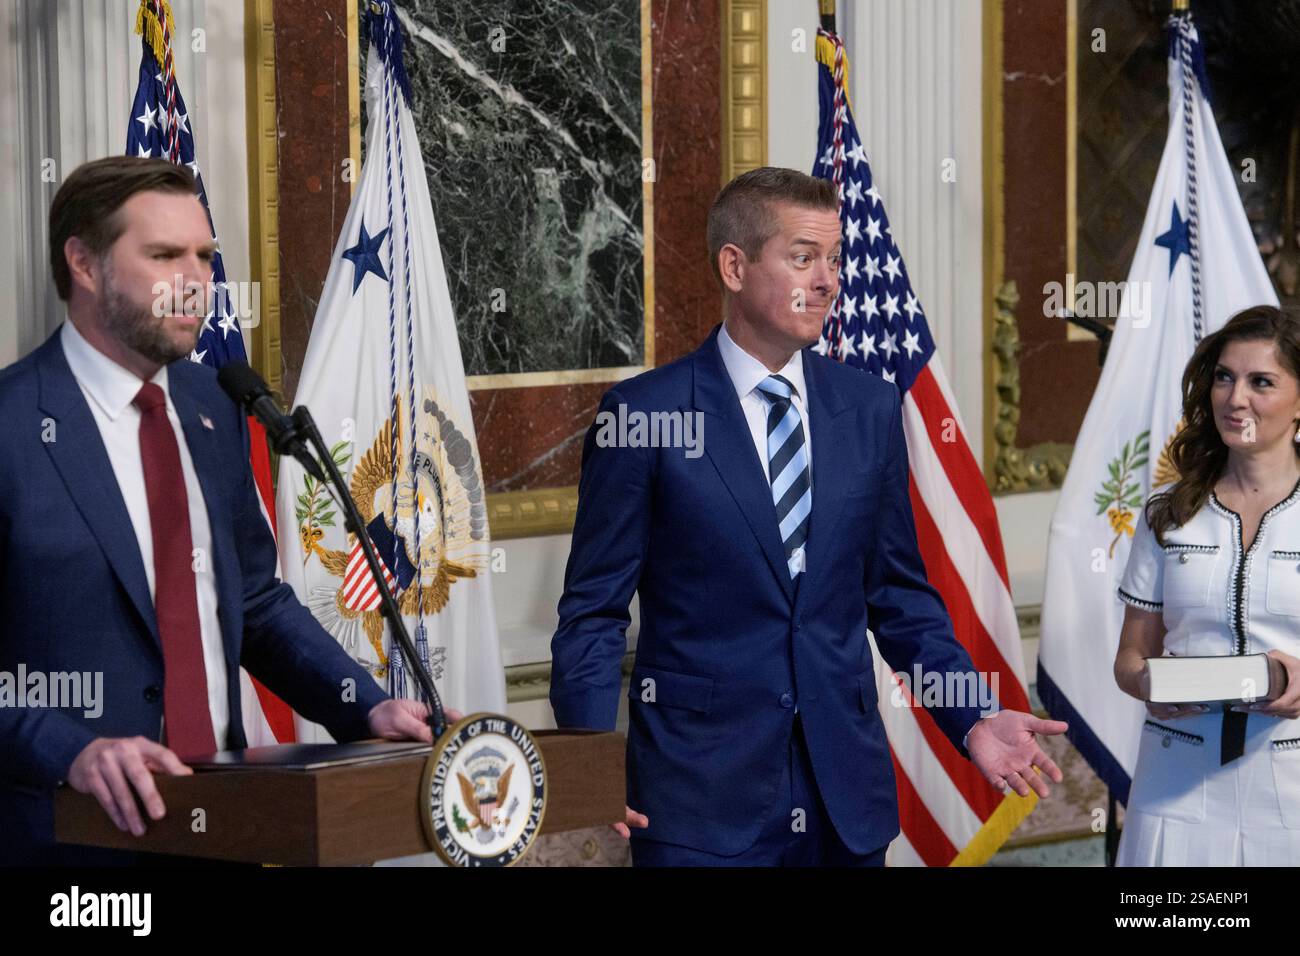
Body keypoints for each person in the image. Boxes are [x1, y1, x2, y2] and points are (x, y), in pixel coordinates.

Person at [549, 166, 1067, 866]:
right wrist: (588, 772)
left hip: (842, 802)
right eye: (803, 258)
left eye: (835, 260)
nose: (827, 280)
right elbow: (593, 613)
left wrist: (971, 716)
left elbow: (902, 600)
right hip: (698, 805)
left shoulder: (870, 409)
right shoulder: (644, 416)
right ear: (735, 266)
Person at [0, 156, 457, 866]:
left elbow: (253, 601)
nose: (197, 282)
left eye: (206, 257)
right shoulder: (11, 427)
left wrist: (363, 707)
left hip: (226, 826)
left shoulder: (213, 407)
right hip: (66, 845)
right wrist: (74, 748)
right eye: (164, 255)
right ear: (84, 264)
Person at [1115, 304, 1300, 866]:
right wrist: (1154, 686)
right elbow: (1129, 659)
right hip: (1176, 779)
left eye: (1260, 382)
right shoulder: (1169, 514)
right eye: (1224, 377)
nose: (1234, 397)